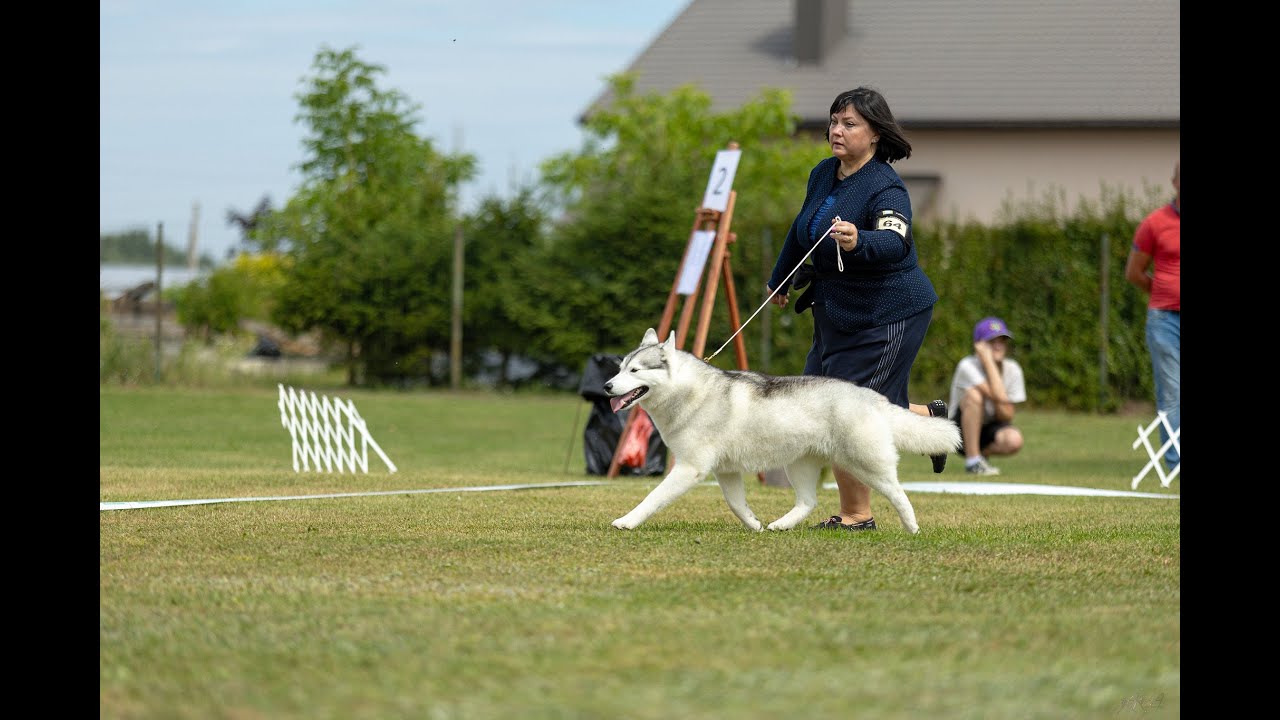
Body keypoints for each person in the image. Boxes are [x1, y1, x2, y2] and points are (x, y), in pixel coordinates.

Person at [765, 86, 946, 532]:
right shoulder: (823, 173)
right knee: (820, 402)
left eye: (849, 124)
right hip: (835, 311)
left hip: (888, 314)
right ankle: (931, 420)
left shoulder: (887, 186)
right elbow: (800, 228)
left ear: (875, 134)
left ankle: (856, 516)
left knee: (844, 411)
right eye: (833, 121)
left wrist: (858, 239)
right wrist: (780, 278)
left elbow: (894, 238)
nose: (836, 131)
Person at [1124, 161, 1180, 471]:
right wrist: (1164, 293)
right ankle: (1175, 463)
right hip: (1165, 321)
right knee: (1173, 391)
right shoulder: (1155, 223)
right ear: (1175, 182)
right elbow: (1134, 272)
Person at [948, 317, 1026, 475]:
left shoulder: (1013, 369)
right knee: (973, 395)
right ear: (979, 346)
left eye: (1002, 340)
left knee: (1014, 439)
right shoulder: (967, 365)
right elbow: (998, 395)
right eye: (992, 341)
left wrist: (1001, 402)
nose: (998, 345)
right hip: (959, 432)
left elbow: (1007, 414)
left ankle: (980, 456)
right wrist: (989, 362)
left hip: (989, 426)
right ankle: (973, 461)